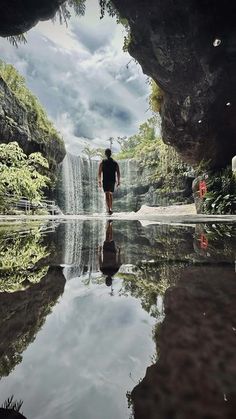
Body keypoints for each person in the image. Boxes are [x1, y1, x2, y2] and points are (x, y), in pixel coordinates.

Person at [98, 221, 121, 295]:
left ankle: (110, 225)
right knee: (108, 237)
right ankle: (109, 225)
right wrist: (99, 251)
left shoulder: (115, 271)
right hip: (106, 251)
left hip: (112, 252)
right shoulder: (103, 270)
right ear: (106, 279)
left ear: (111, 280)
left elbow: (118, 262)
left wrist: (119, 252)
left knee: (110, 237)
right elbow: (99, 260)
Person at [98, 148, 120, 215]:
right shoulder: (115, 163)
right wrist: (118, 181)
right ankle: (110, 208)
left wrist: (99, 181)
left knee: (107, 194)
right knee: (110, 194)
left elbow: (99, 172)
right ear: (111, 154)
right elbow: (118, 172)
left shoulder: (102, 162)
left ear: (105, 154)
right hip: (112, 180)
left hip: (105, 180)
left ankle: (109, 209)